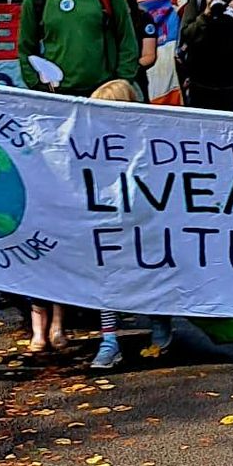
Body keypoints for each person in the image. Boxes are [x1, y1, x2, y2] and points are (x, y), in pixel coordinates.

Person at [86, 78, 173, 370]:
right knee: (107, 281)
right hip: (110, 225)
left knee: (153, 275)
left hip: (145, 224)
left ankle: (161, 327)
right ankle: (109, 340)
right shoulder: (93, 146)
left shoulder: (149, 141)